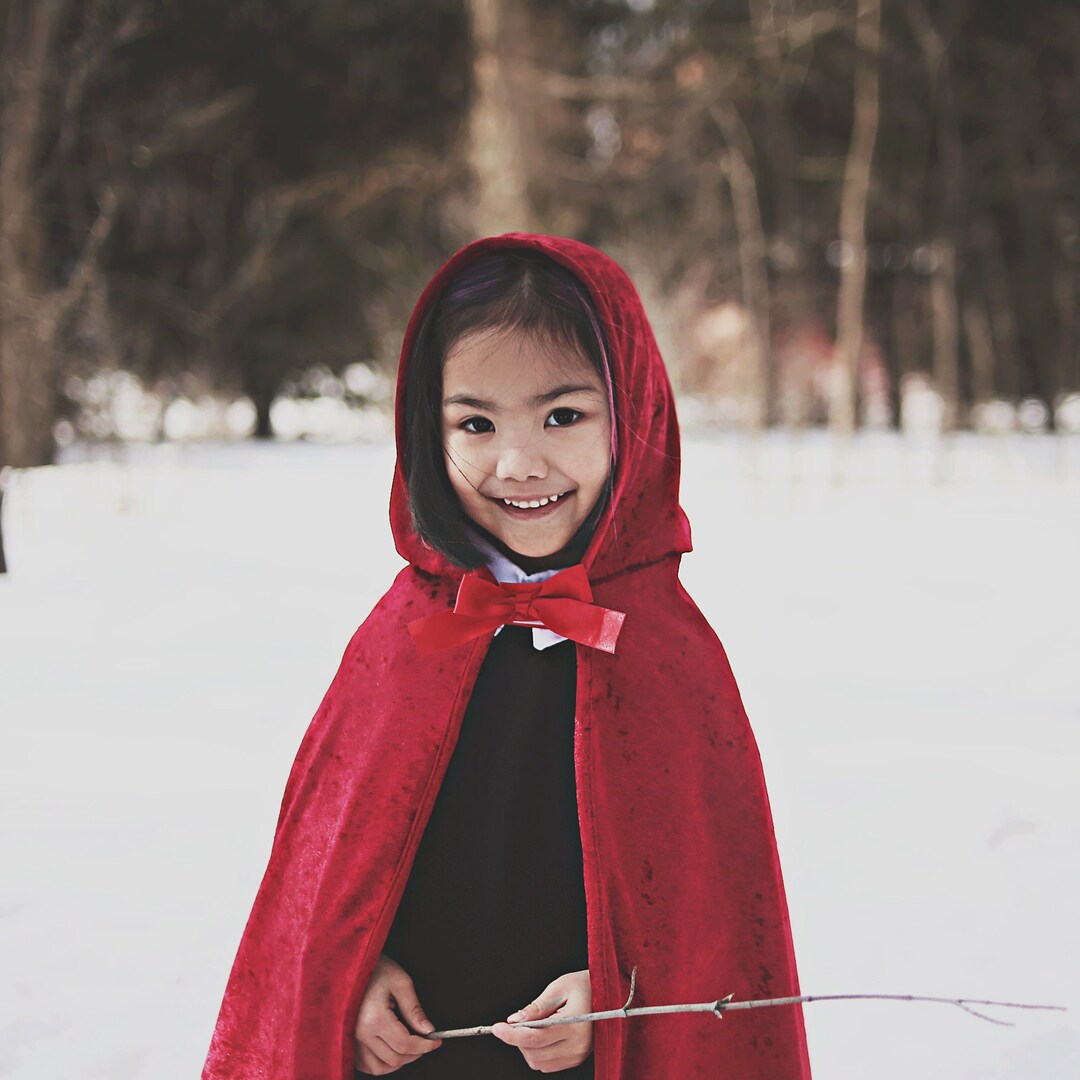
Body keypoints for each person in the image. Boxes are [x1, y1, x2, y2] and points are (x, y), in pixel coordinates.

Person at [203, 234, 812, 1080]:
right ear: (427, 428)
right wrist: (353, 977)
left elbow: (707, 924)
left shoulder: (669, 653)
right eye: (476, 424)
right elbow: (322, 892)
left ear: (630, 413)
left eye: (563, 415)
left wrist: (623, 998)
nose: (518, 464)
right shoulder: (401, 638)